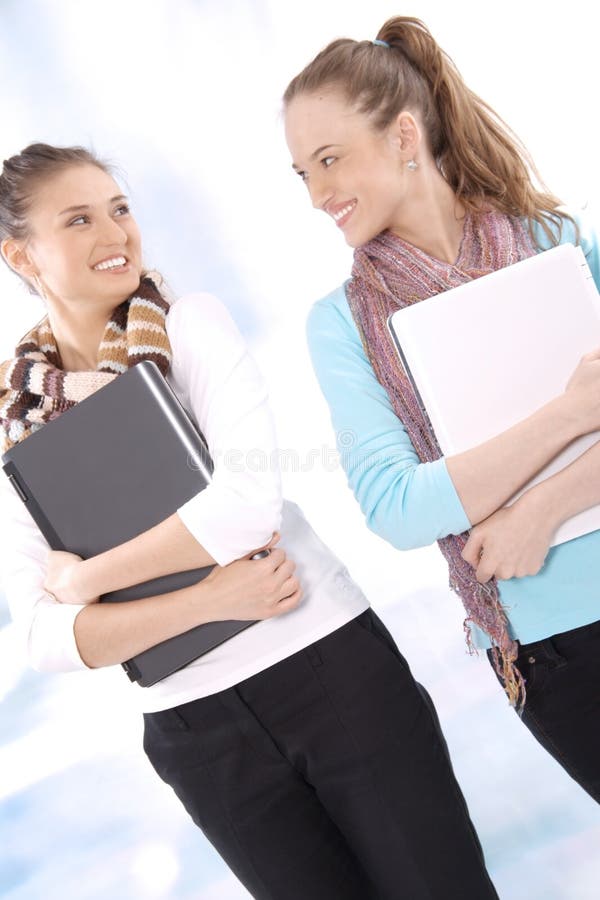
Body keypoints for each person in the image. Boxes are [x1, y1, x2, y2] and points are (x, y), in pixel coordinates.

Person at [0, 143, 501, 899]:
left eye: (120, 209)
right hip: (195, 734)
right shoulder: (15, 423)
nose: (116, 234)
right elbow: (43, 638)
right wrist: (210, 600)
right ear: (20, 253)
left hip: (329, 671)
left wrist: (89, 580)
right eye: (78, 220)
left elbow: (242, 509)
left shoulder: (188, 322)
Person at [283, 14, 600, 805]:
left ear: (402, 135)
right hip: (555, 654)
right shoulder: (343, 323)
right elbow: (395, 507)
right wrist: (571, 413)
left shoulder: (556, 239)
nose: (319, 195)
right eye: (301, 174)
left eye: (329, 160)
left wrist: (541, 511)